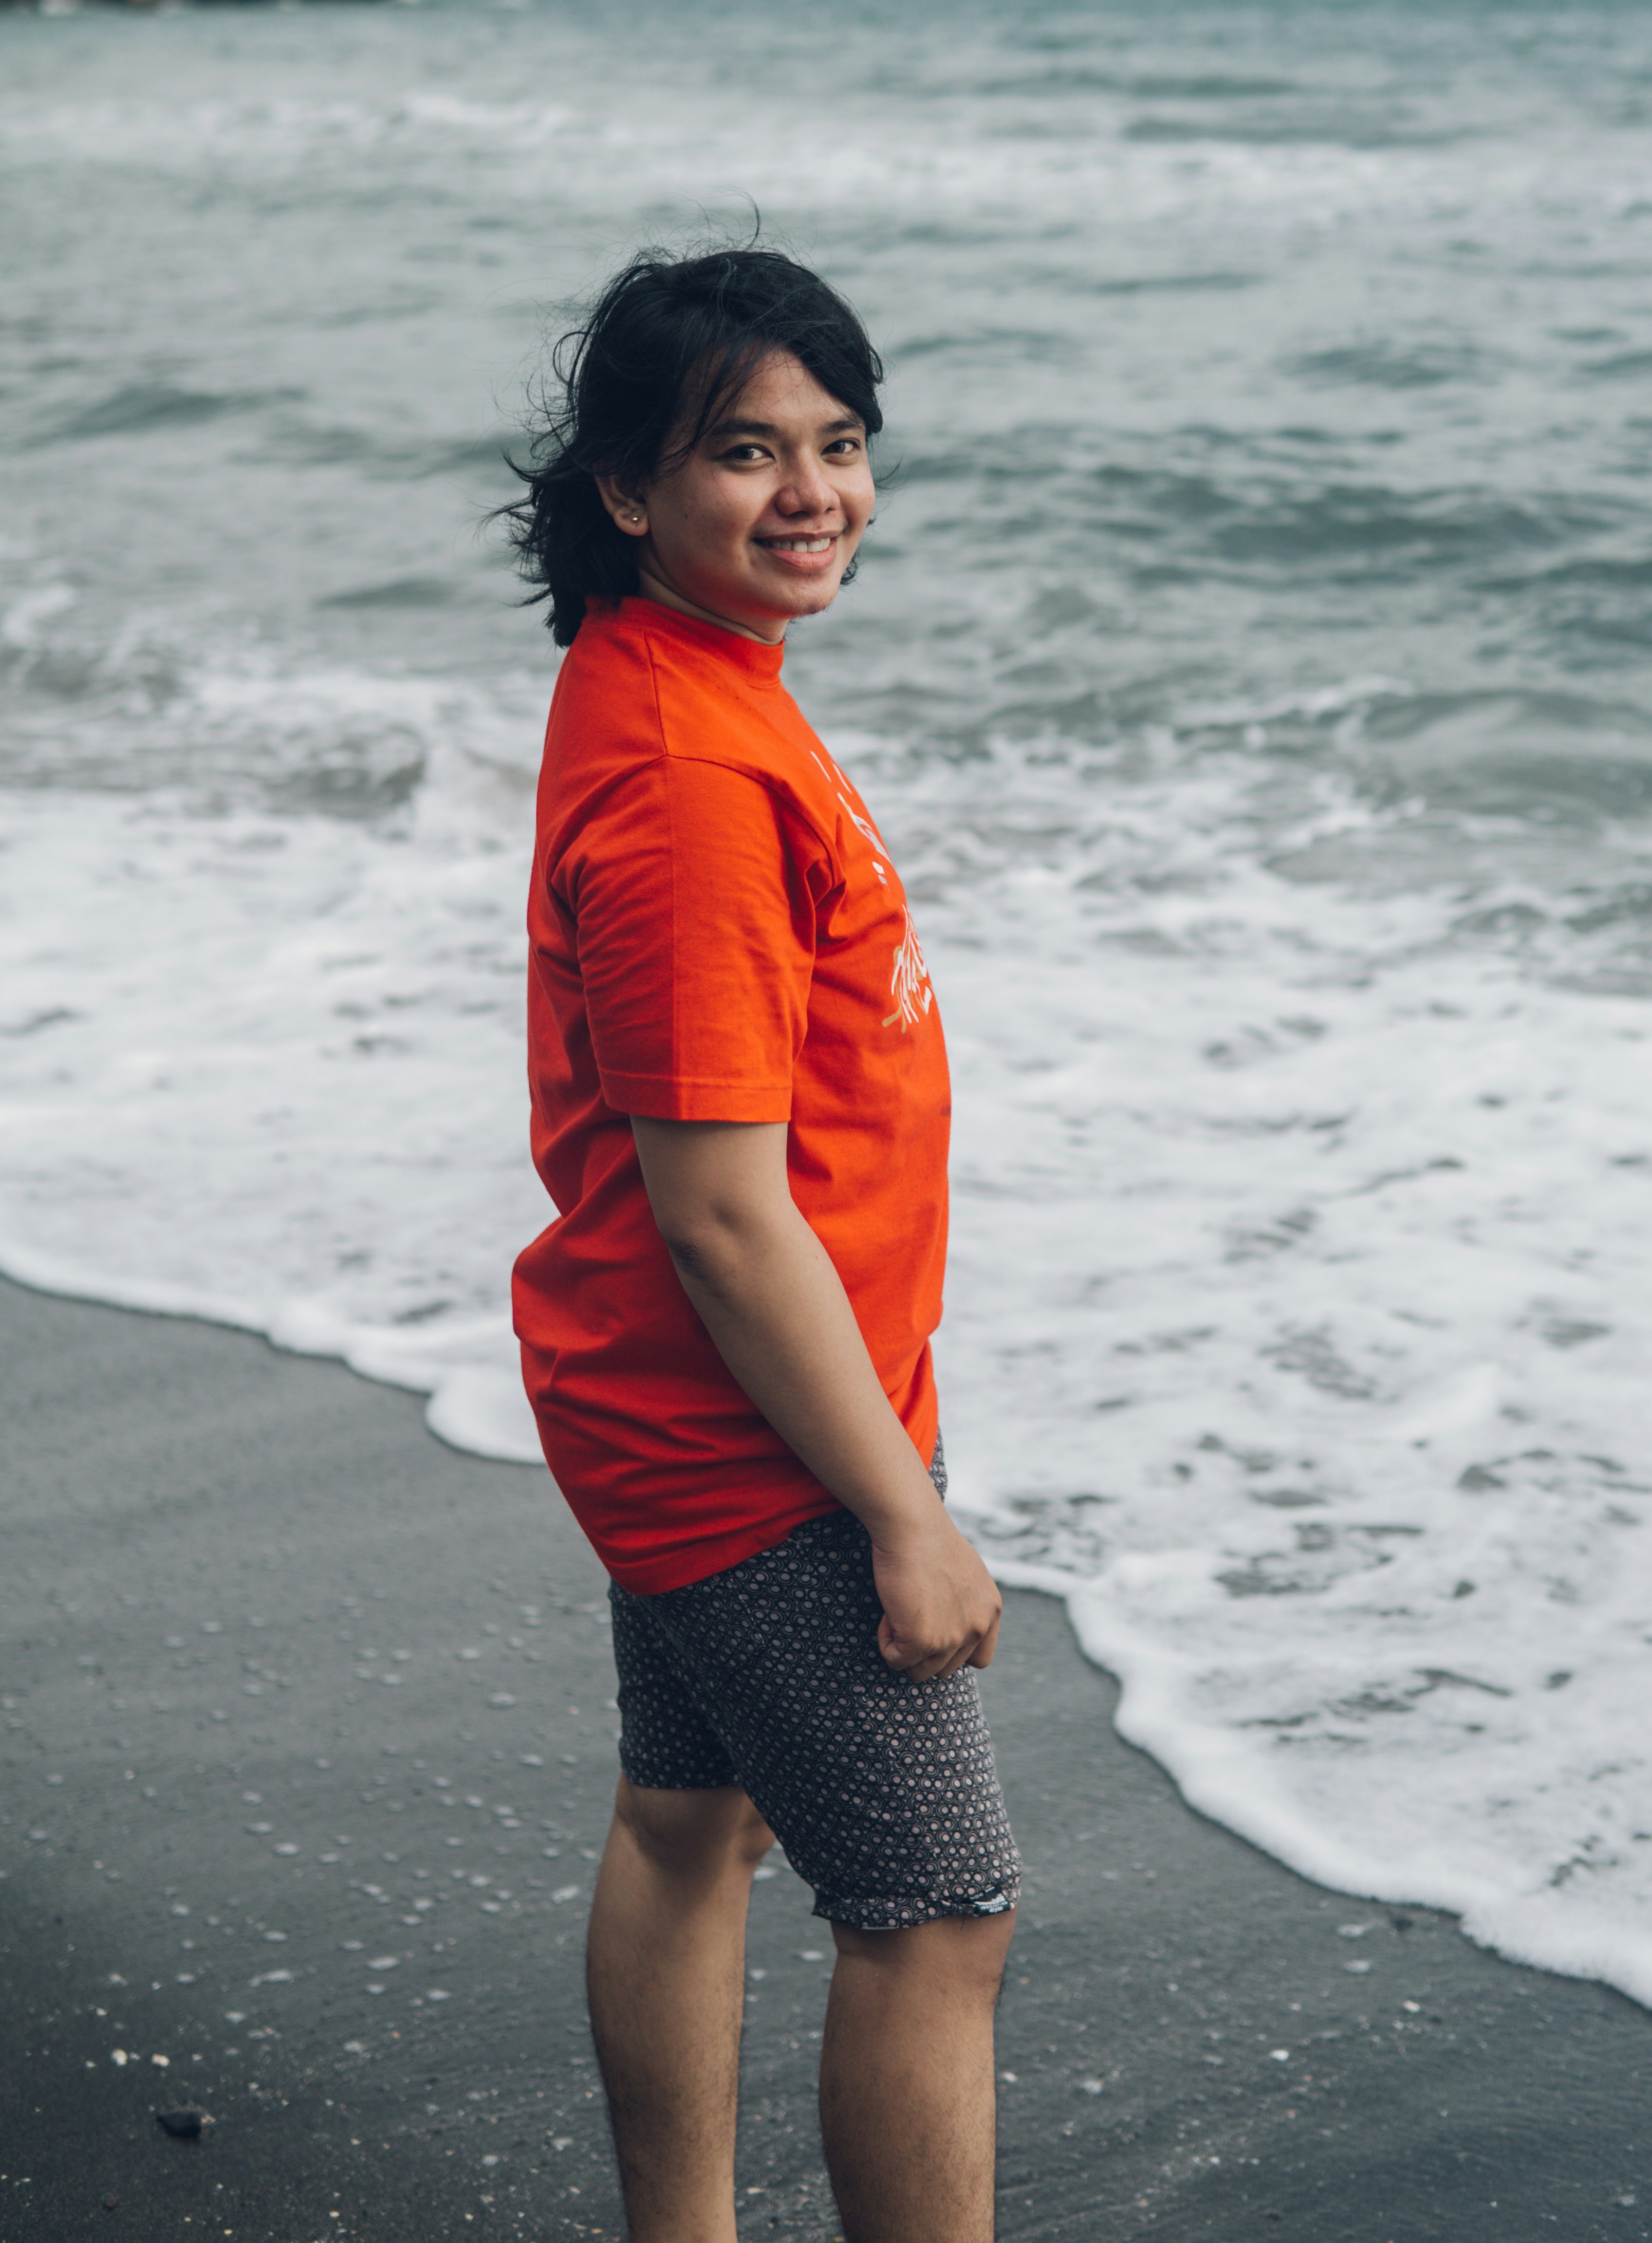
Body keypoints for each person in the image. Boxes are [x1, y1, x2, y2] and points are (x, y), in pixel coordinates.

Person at [505, 248, 1021, 2243]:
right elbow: (721, 1212)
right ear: (632, 487)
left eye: (839, 442)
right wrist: (898, 1513)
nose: (812, 492)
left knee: (687, 1817)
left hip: (680, 1397)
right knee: (935, 1915)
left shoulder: (668, 675)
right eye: (744, 451)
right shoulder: (695, 779)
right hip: (758, 1442)